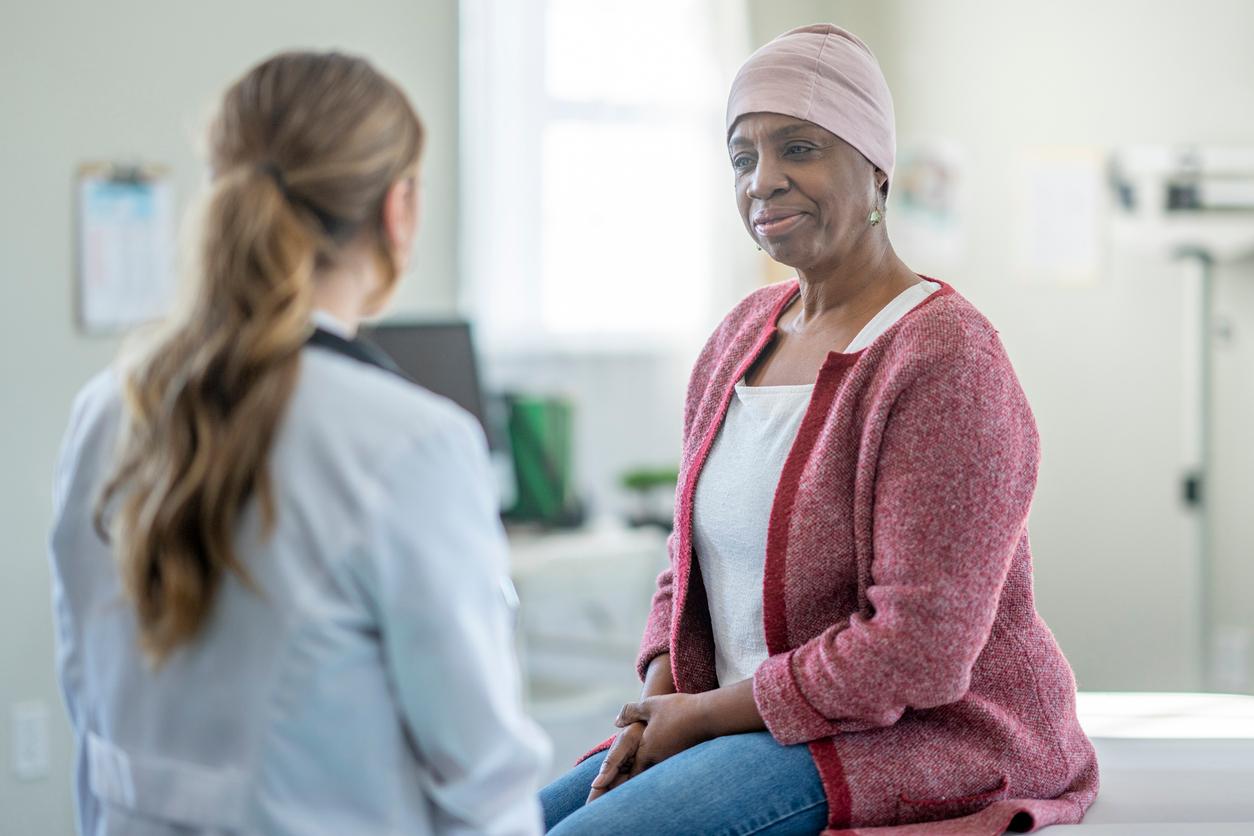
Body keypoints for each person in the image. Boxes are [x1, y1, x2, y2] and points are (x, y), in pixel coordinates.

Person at [541, 24, 1098, 835]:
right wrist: (658, 707)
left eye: (798, 148)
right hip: (741, 726)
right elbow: (684, 565)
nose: (763, 180)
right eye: (743, 157)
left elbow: (917, 653)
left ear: (876, 168)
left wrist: (702, 718)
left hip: (910, 737)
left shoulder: (945, 358)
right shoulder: (739, 338)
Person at [49, 51, 549, 835]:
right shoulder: (414, 444)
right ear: (398, 210)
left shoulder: (106, 409)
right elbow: (484, 788)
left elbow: (89, 715)